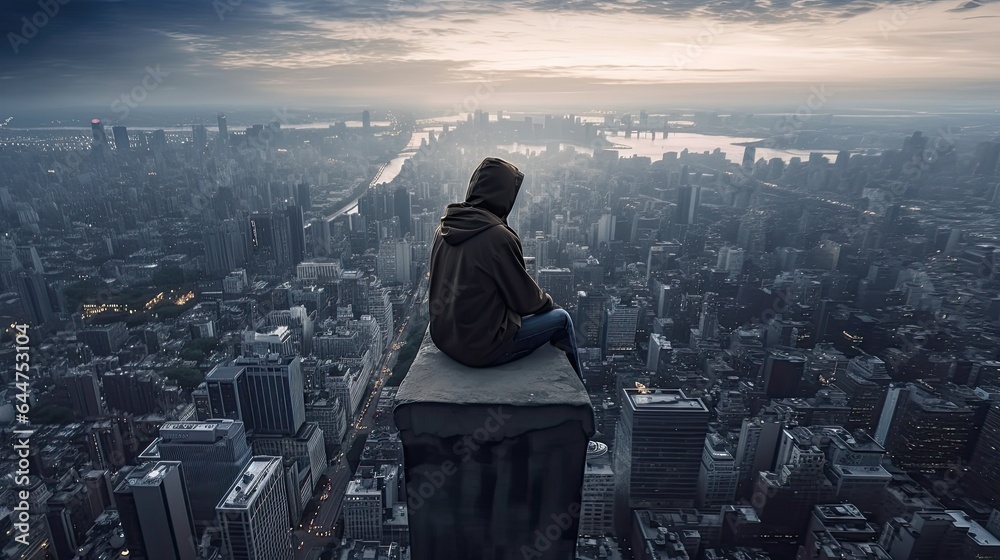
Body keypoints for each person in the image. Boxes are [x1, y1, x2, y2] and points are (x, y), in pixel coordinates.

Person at [429, 157, 582, 378]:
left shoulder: (444, 227)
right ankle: (577, 396)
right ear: (504, 195)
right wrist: (548, 302)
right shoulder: (497, 236)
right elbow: (526, 302)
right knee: (562, 319)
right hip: (480, 349)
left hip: (444, 338)